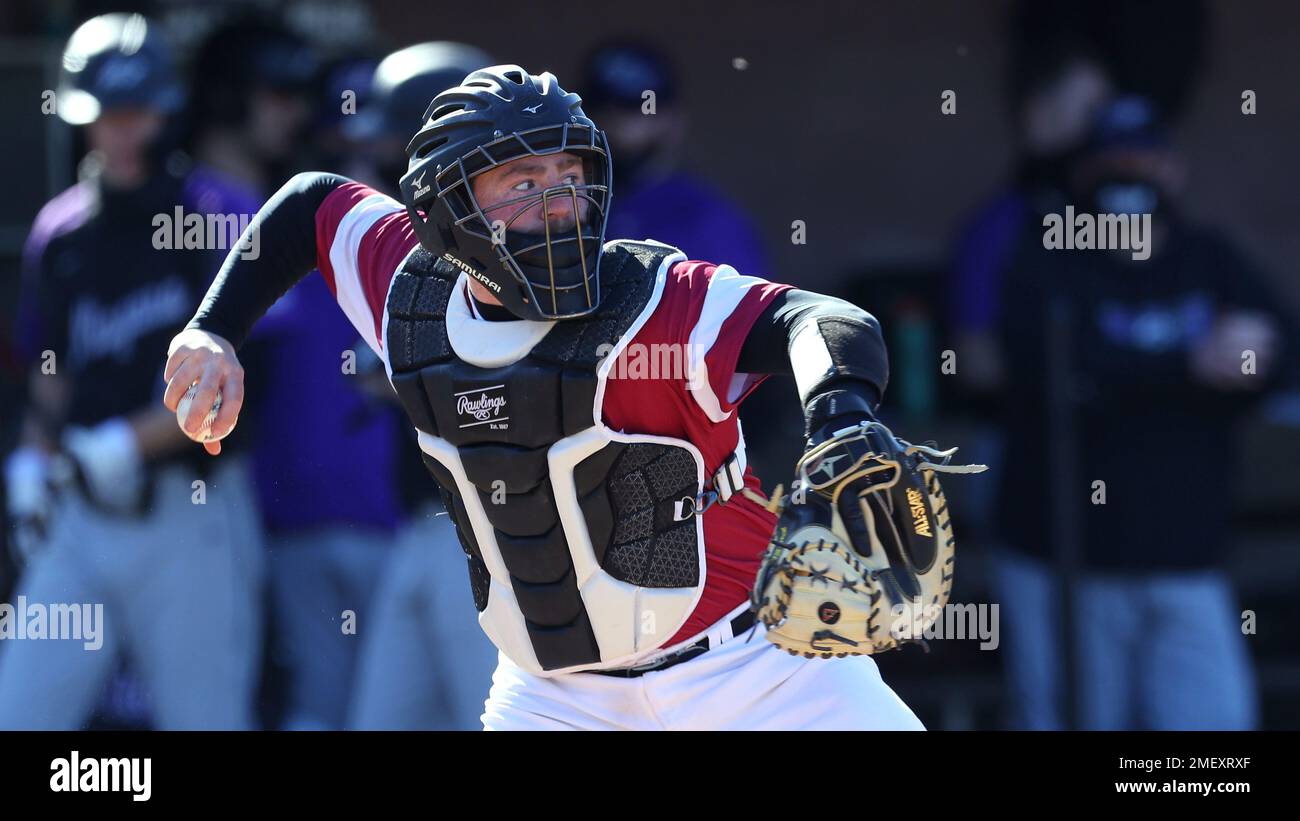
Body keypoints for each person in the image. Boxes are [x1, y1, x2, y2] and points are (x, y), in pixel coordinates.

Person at [163, 65, 949, 730]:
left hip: (760, 674)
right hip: (557, 699)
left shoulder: (654, 299)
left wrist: (842, 409)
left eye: (570, 177)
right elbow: (311, 202)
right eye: (523, 181)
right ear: (447, 210)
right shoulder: (411, 293)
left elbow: (821, 320)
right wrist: (214, 327)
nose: (557, 202)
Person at [989, 95, 1293, 729]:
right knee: (1074, 720)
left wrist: (1250, 360)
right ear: (1081, 178)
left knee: (1210, 745)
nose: (1129, 178)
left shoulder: (1211, 259)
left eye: (1143, 160)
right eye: (1112, 163)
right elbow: (1053, 375)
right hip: (1065, 560)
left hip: (1187, 555)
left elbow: (1279, 355)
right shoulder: (1047, 260)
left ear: (1173, 171)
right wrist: (1186, 366)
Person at [0, 13, 264, 730]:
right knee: (21, 710)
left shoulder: (215, 212)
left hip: (192, 508)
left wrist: (125, 443)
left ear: (164, 111)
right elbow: (51, 369)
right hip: (81, 508)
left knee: (205, 717)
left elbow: (244, 378)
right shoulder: (62, 230)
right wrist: (31, 462)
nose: (121, 131)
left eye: (135, 112)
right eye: (105, 116)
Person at [339, 41, 501, 731]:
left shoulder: (500, 246)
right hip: (419, 527)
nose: (382, 166)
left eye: (395, 148)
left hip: (494, 535)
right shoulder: (408, 244)